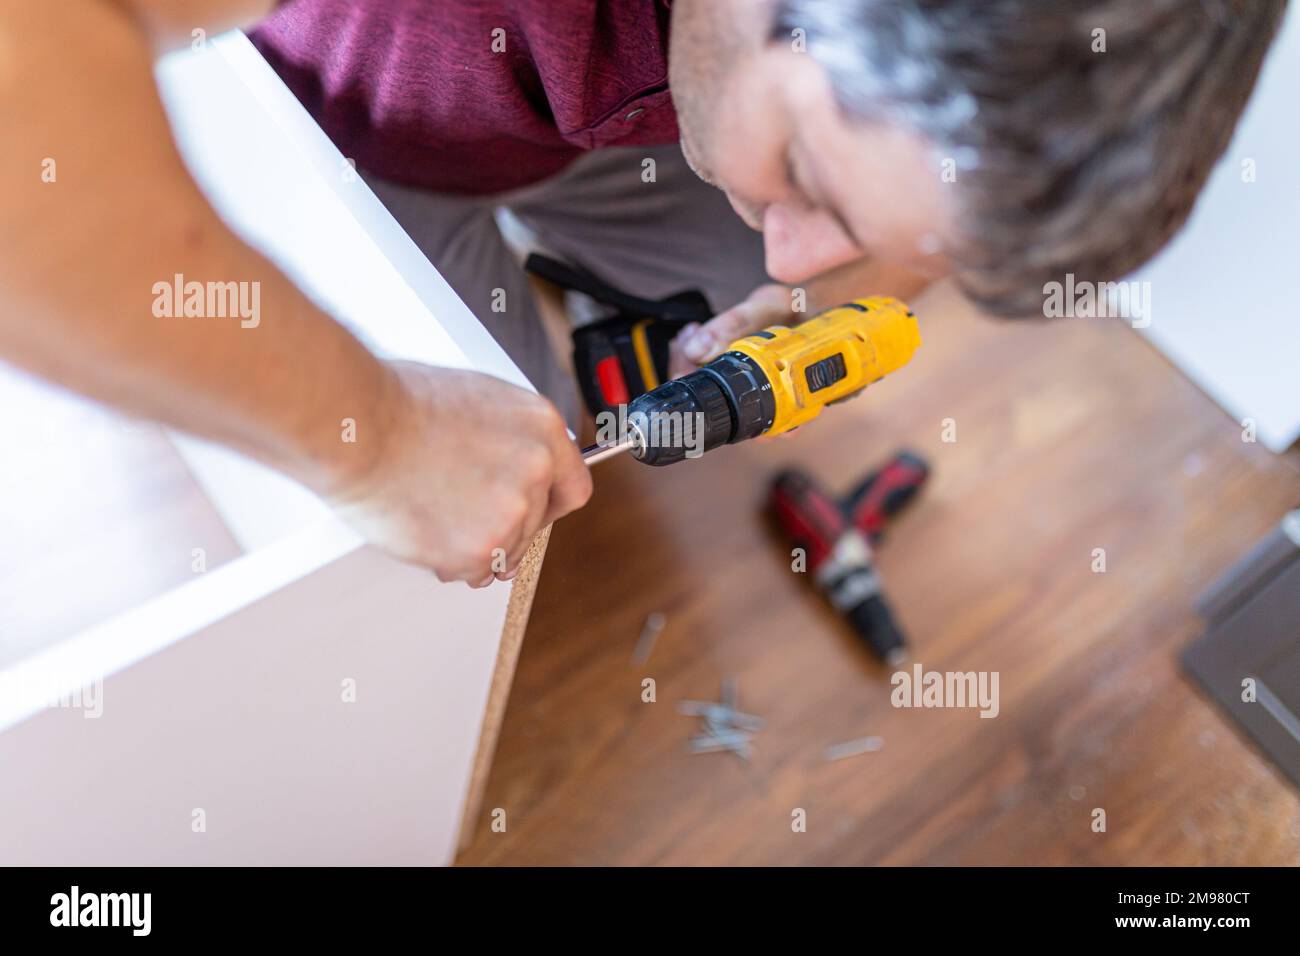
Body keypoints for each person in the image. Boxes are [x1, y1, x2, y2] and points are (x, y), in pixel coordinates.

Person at [2, 0, 1285, 586]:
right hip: (335, 128)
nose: (800, 259)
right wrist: (379, 440)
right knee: (434, 525)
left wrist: (858, 256)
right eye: (807, 177)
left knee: (651, 351)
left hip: (573, 117)